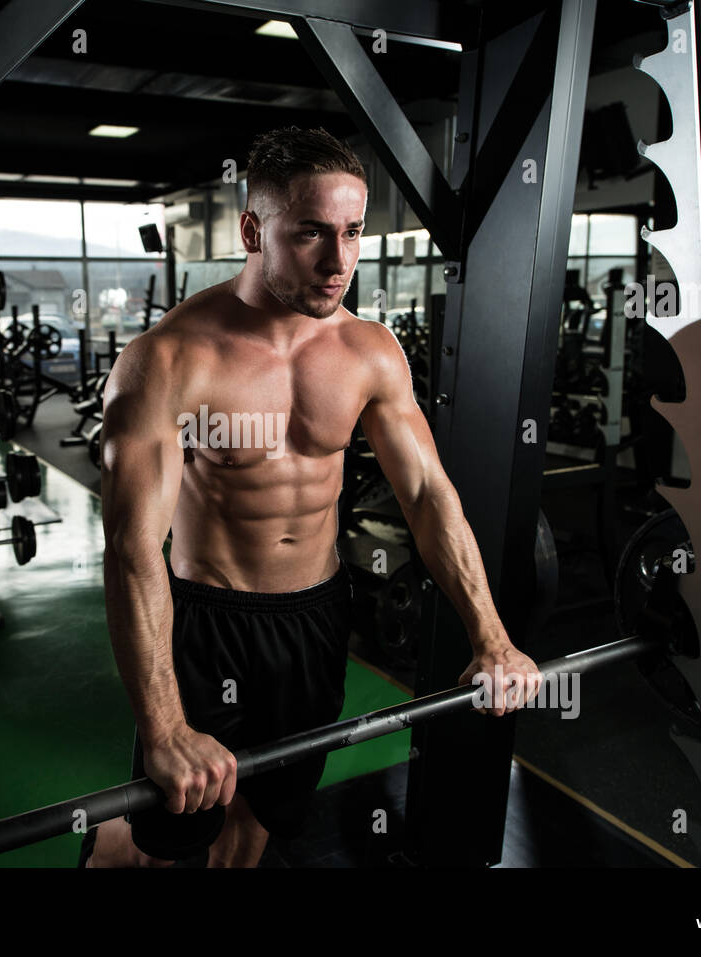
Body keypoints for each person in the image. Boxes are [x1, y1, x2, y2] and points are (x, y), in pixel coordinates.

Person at [86, 126, 542, 868]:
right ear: (251, 229)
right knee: (168, 836)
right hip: (208, 623)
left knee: (263, 815)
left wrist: (491, 635)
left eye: (354, 232)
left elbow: (428, 493)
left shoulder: (370, 351)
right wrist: (165, 725)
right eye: (310, 235)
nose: (339, 262)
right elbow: (134, 549)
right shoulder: (167, 360)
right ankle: (110, 846)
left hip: (317, 620)